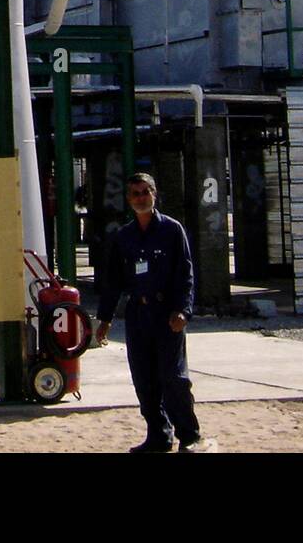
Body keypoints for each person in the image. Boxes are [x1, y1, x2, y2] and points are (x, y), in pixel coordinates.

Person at [96, 171, 203, 453]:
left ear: (154, 194)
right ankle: (158, 435)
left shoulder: (171, 230)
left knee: (174, 379)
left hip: (167, 314)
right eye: (135, 194)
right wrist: (104, 318)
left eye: (146, 192)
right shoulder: (124, 237)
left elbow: (186, 274)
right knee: (144, 380)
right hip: (138, 316)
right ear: (129, 200)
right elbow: (114, 281)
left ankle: (189, 436)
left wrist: (183, 310)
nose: (141, 197)